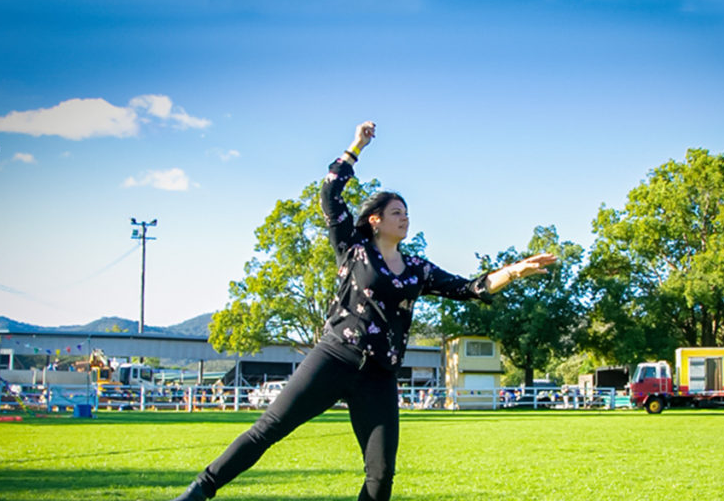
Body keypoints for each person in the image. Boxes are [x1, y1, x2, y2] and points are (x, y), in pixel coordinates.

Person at [172, 121, 556, 501]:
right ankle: (199, 491)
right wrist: (356, 146)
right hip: (334, 356)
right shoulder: (354, 248)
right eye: (396, 212)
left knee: (381, 473)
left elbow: (469, 287)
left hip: (379, 375)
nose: (405, 218)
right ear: (375, 219)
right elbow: (329, 194)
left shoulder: (418, 269)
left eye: (406, 213)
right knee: (268, 429)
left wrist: (514, 270)